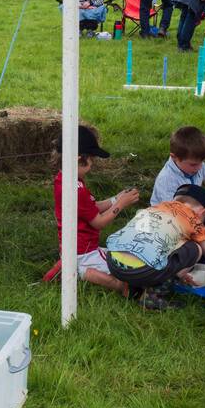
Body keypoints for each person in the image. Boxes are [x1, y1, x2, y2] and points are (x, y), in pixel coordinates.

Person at [42, 125, 138, 295]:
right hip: (85, 250)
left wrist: (116, 198)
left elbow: (91, 208)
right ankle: (88, 273)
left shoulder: (67, 179)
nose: (92, 164)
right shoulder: (75, 188)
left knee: (117, 255)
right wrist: (121, 204)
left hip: (75, 247)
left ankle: (76, 267)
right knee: (126, 269)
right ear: (79, 159)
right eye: (91, 159)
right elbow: (98, 222)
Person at [105, 184, 205, 311]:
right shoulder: (195, 221)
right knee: (195, 249)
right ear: (203, 212)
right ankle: (152, 296)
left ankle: (131, 286)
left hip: (113, 262)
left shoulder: (155, 207)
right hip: (142, 271)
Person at [150, 125, 205, 206]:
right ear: (175, 157)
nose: (199, 167)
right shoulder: (166, 179)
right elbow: (173, 207)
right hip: (165, 215)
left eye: (202, 162)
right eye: (193, 164)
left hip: (190, 211)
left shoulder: (197, 165)